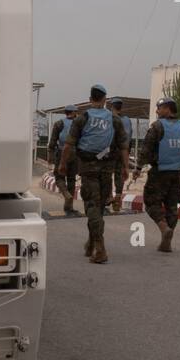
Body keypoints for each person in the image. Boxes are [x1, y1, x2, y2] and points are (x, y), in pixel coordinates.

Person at [59, 84, 127, 263]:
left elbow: (68, 145)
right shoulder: (114, 119)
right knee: (100, 206)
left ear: (90, 99)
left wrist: (62, 165)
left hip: (88, 168)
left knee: (91, 206)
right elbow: (123, 146)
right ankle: (91, 243)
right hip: (107, 168)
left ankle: (100, 247)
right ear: (105, 100)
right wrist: (126, 167)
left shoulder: (82, 118)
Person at [133, 96, 180, 253]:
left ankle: (163, 228)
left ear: (168, 109)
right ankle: (166, 242)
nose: (157, 111)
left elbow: (146, 150)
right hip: (179, 173)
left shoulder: (157, 127)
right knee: (172, 206)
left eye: (159, 108)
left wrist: (138, 168)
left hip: (159, 172)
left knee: (151, 202)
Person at [48, 106, 80, 216]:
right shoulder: (79, 124)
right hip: (75, 153)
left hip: (62, 152)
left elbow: (53, 141)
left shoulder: (59, 123)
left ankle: (66, 194)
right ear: (74, 113)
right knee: (71, 180)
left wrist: (51, 155)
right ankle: (69, 207)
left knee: (59, 177)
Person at [106, 96, 128, 213]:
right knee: (119, 175)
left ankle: (109, 196)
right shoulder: (127, 120)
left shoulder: (109, 119)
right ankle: (118, 197)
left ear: (111, 106)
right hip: (123, 152)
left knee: (108, 174)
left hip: (110, 151)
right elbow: (127, 139)